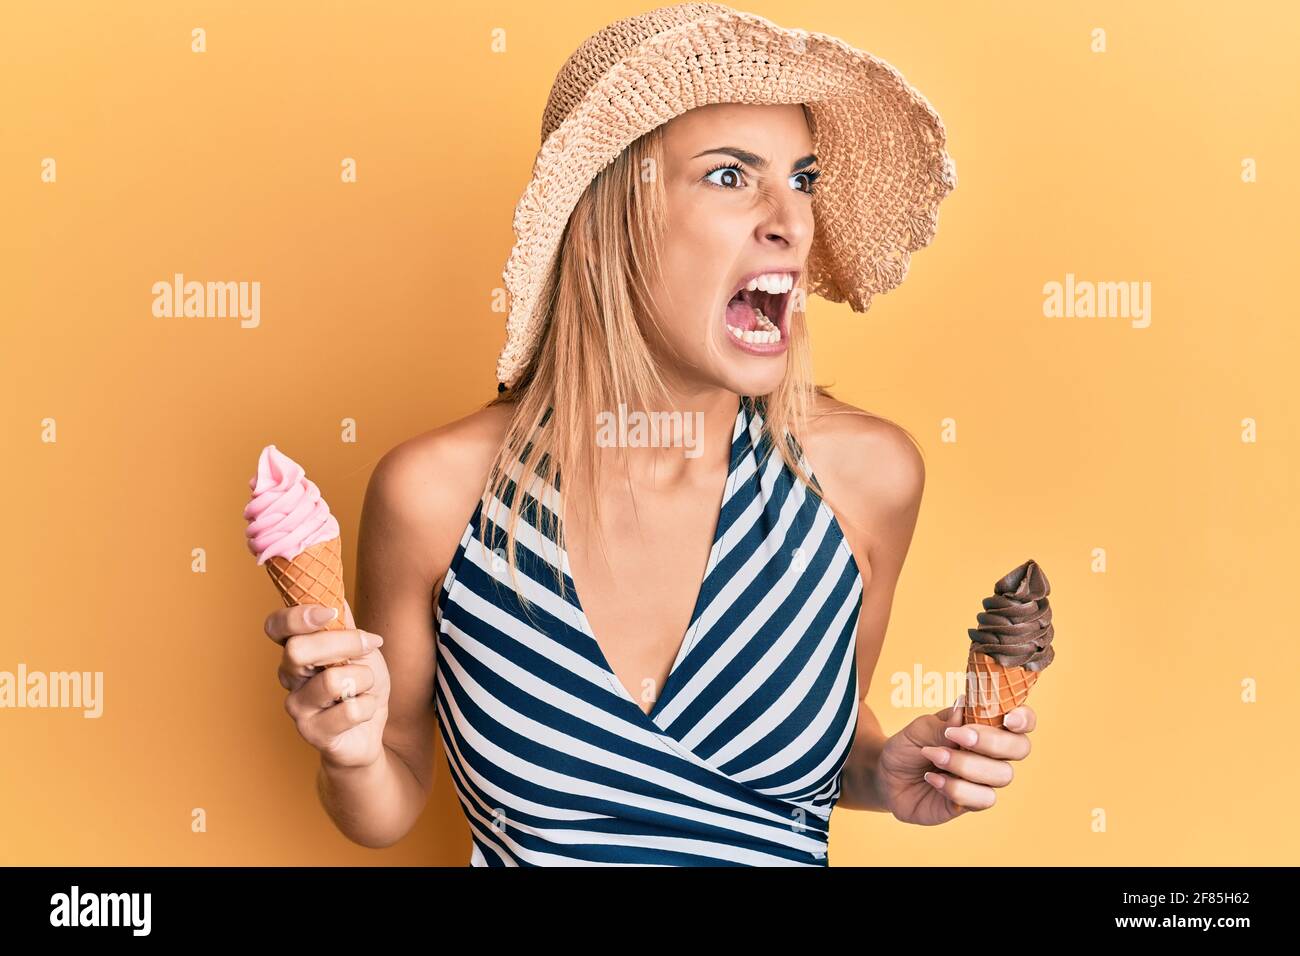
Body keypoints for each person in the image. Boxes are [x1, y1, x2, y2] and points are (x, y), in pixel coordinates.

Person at [263, 2, 1037, 865]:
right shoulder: (436, 496)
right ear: (607, 227)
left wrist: (884, 771)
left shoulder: (866, 480)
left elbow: (816, 753)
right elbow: (389, 799)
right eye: (730, 176)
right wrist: (351, 749)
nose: (791, 219)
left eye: (804, 178)